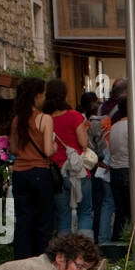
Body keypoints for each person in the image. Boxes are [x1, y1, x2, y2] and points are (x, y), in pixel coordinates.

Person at [7, 77, 55, 260]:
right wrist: (55, 147)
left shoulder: (17, 120)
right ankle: (41, 260)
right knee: (43, 222)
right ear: (37, 96)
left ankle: (22, 261)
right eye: (43, 94)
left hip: (20, 174)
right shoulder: (44, 119)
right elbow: (48, 151)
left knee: (23, 220)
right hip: (40, 172)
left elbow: (13, 149)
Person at [43, 79, 93, 238]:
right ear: (65, 95)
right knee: (84, 212)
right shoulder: (74, 116)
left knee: (63, 216)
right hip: (78, 171)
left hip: (57, 174)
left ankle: (63, 255)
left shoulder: (45, 118)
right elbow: (83, 143)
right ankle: (84, 253)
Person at [81, 91, 114, 245]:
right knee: (103, 202)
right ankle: (100, 236)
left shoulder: (82, 121)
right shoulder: (102, 122)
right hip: (101, 164)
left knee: (90, 205)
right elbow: (103, 145)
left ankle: (90, 237)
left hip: (86, 165)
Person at [107, 99, 132, 241]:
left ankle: (117, 241)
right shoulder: (132, 126)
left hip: (115, 171)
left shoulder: (114, 127)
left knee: (120, 211)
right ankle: (131, 241)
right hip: (129, 171)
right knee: (132, 211)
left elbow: (110, 149)